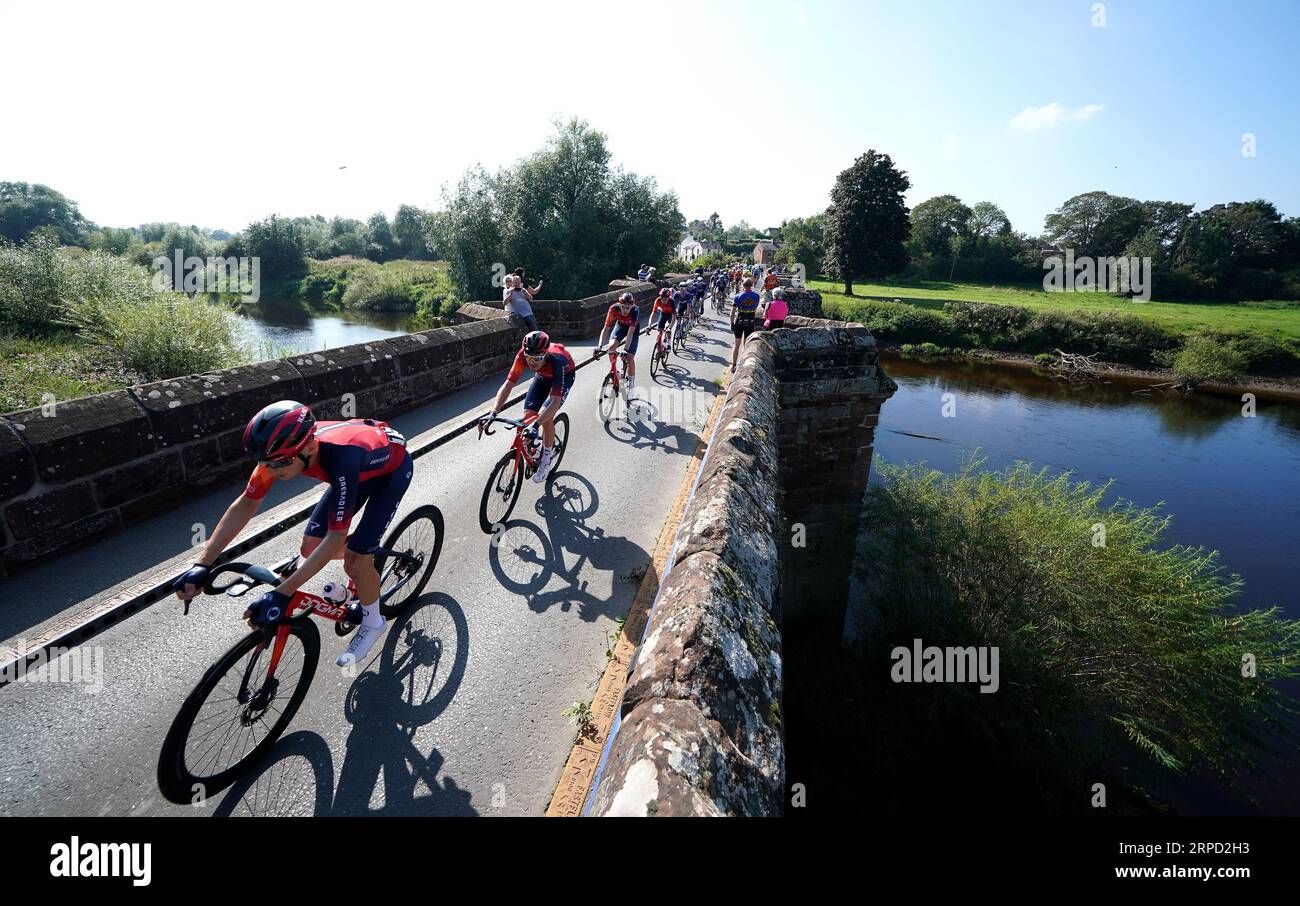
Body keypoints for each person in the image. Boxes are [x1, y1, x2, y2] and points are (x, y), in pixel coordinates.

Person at [172, 401, 413, 668]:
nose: (272, 471)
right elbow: (246, 504)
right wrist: (202, 563)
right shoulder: (282, 455)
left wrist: (284, 592)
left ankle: (372, 621)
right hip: (354, 472)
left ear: (309, 448)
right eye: (266, 464)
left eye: (281, 464)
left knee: (356, 561)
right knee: (310, 548)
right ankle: (363, 556)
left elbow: (335, 535)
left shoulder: (342, 458)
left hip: (389, 476)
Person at [483, 330, 575, 483]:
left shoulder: (557, 360)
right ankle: (535, 444)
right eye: (529, 358)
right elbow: (507, 385)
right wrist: (493, 412)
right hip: (542, 376)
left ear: (545, 354)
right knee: (528, 414)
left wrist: (536, 424)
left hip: (564, 375)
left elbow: (555, 401)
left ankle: (545, 460)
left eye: (537, 358)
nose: (531, 363)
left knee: (545, 418)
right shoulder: (522, 356)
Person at [596, 291, 642, 393]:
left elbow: (630, 334)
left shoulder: (635, 311)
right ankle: (615, 371)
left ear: (632, 305)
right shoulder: (613, 309)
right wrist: (599, 346)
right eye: (623, 306)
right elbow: (606, 328)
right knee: (611, 347)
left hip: (632, 330)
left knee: (629, 357)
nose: (626, 310)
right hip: (620, 326)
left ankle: (631, 384)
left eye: (628, 307)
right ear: (619, 305)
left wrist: (625, 349)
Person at [730, 277, 761, 372]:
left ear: (743, 285)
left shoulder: (737, 296)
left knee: (737, 345)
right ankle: (743, 364)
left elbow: (732, 313)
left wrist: (732, 323)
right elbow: (756, 308)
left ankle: (734, 365)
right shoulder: (757, 296)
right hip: (750, 322)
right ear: (751, 285)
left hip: (739, 321)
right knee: (746, 345)